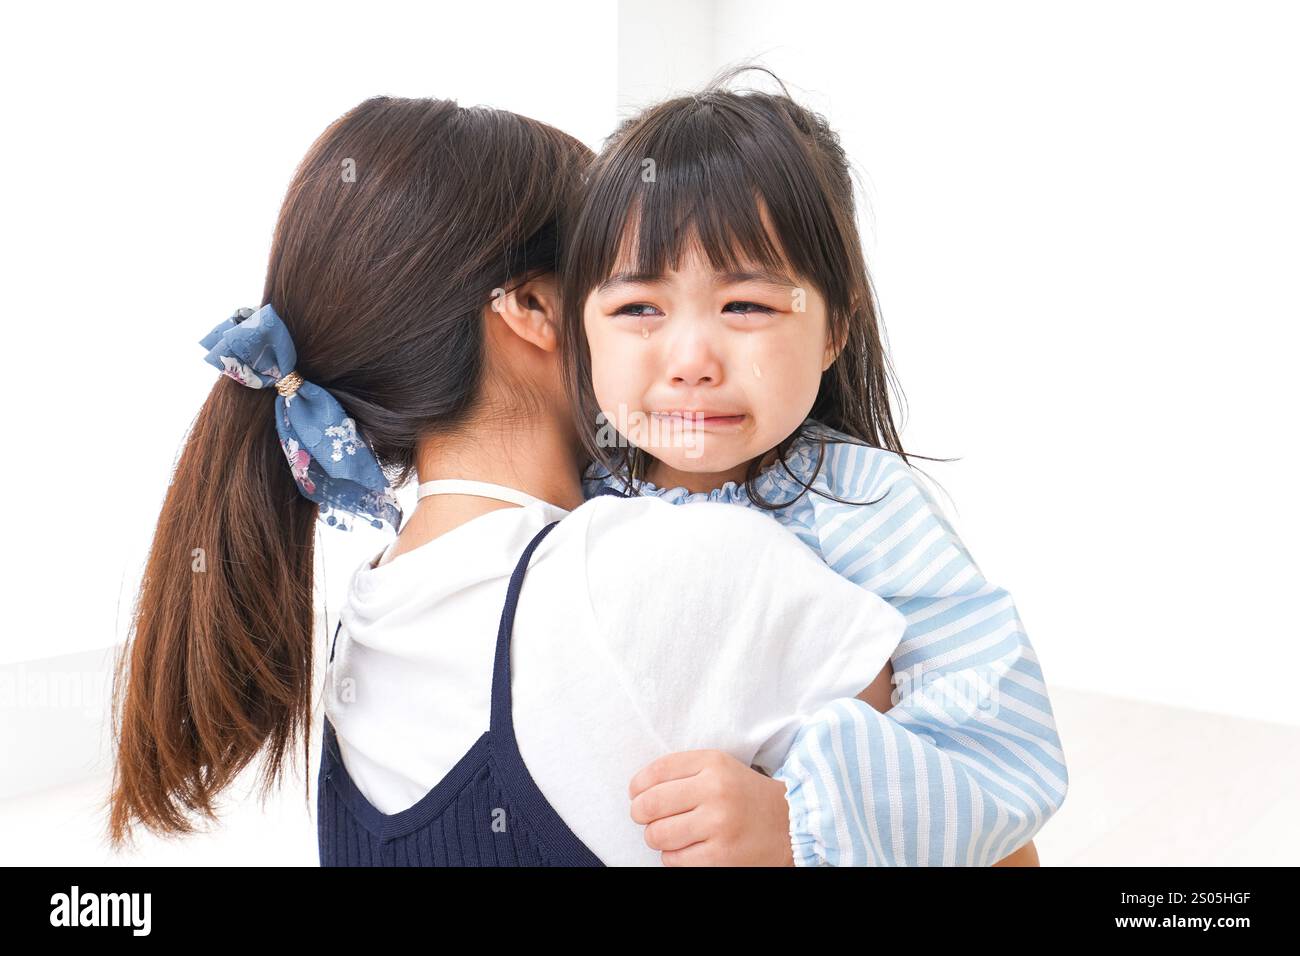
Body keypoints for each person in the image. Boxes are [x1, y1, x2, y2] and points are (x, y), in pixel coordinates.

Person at [105, 95, 911, 866]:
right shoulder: (680, 566)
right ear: (535, 306)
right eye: (629, 288)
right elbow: (989, 844)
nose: (678, 349)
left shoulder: (373, 620)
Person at [562, 67, 1069, 865]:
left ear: (833, 328)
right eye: (638, 309)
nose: (690, 359)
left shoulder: (864, 506)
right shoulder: (568, 502)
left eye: (747, 307)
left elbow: (1001, 751)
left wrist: (795, 821)